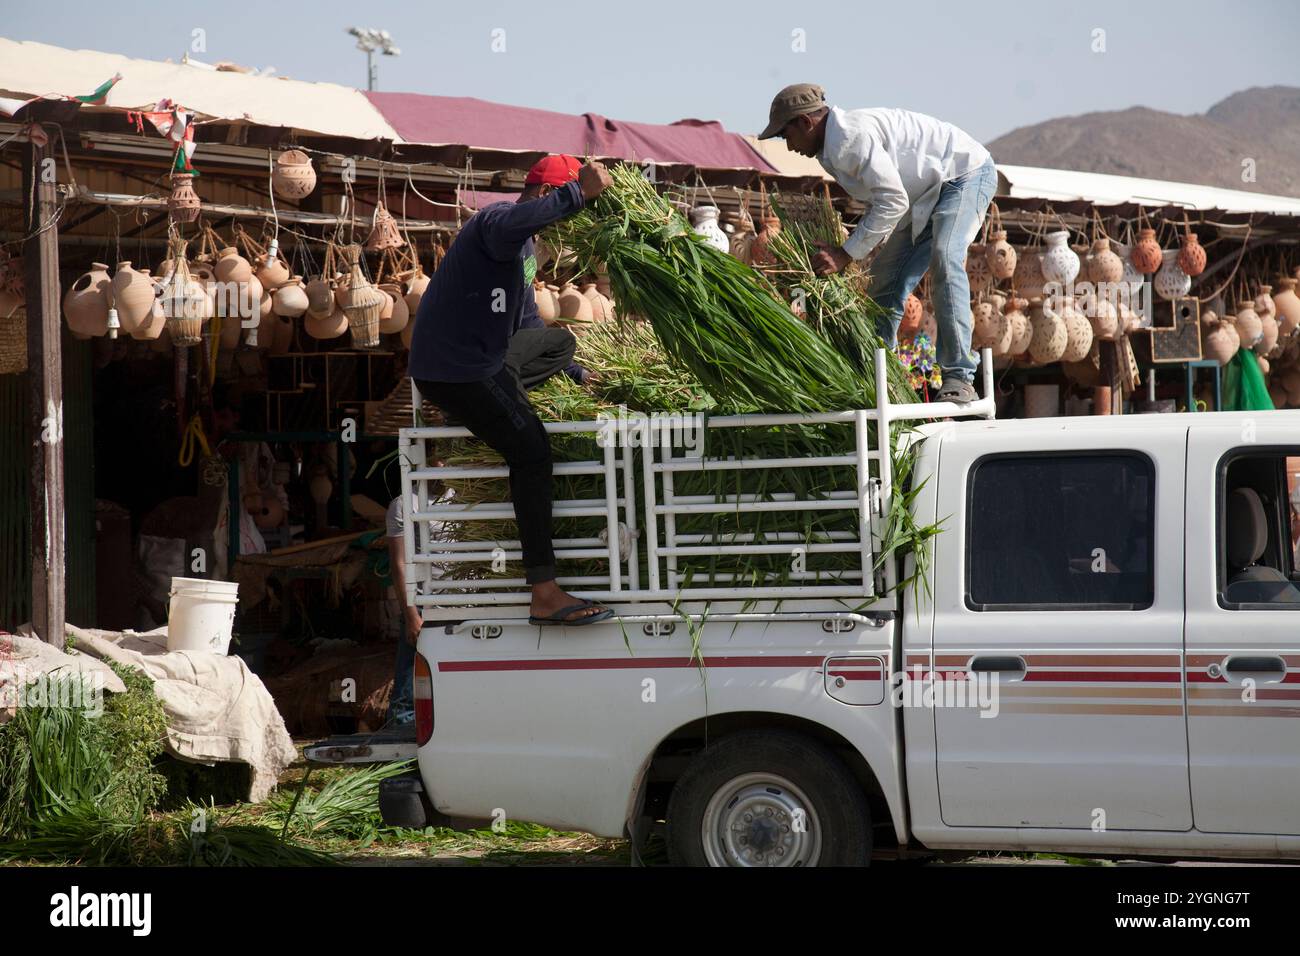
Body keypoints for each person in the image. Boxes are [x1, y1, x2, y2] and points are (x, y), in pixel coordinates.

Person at [408, 153, 615, 627]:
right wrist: (577, 193)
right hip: (457, 370)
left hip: (485, 363)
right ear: (546, 196)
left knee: (559, 340)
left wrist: (578, 375)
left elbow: (524, 325)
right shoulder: (497, 223)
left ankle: (495, 404)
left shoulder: (524, 251)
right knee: (532, 450)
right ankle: (544, 592)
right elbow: (521, 216)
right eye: (565, 208)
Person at [759, 83, 998, 404]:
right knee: (885, 280)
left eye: (785, 135)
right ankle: (880, 377)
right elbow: (888, 198)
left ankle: (958, 376)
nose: (788, 146)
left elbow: (892, 200)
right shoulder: (830, 148)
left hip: (963, 175)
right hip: (924, 196)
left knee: (945, 255)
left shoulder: (850, 138)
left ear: (805, 122)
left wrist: (846, 253)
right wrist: (850, 247)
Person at [384, 475, 453, 726]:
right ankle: (401, 732)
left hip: (462, 601)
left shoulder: (464, 499)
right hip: (424, 603)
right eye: (438, 458)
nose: (443, 466)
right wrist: (411, 613)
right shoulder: (404, 504)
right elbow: (398, 564)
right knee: (409, 681)